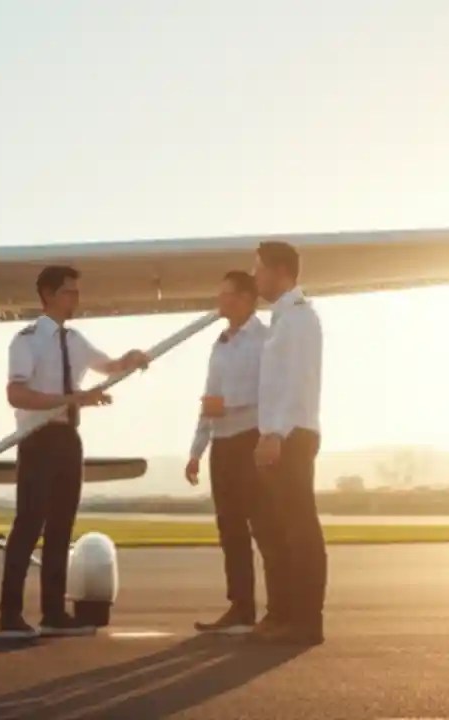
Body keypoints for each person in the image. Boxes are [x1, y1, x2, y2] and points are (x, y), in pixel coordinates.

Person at [0, 265, 150, 638]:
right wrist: (72, 399)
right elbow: (16, 394)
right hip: (37, 439)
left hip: (68, 439)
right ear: (48, 295)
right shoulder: (26, 340)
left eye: (77, 292)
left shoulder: (77, 340)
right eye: (69, 292)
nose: (76, 299)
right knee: (28, 525)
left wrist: (129, 358)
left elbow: (109, 366)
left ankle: (53, 613)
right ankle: (10, 614)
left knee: (61, 528)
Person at [185, 270, 275, 635]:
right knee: (230, 529)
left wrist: (228, 405)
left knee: (265, 527)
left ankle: (280, 608)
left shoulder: (265, 341)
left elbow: (269, 394)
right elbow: (209, 400)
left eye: (227, 296)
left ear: (246, 299)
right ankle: (240, 606)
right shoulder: (219, 344)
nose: (220, 302)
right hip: (221, 445)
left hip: (250, 441)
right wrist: (196, 450)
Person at [251, 240, 326, 646]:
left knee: (300, 530)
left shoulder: (297, 318)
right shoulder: (283, 318)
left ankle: (306, 621)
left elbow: (295, 382)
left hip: (291, 436)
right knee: (280, 528)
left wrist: (274, 434)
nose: (255, 276)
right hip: (283, 434)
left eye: (259, 268)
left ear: (280, 272)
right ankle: (286, 615)